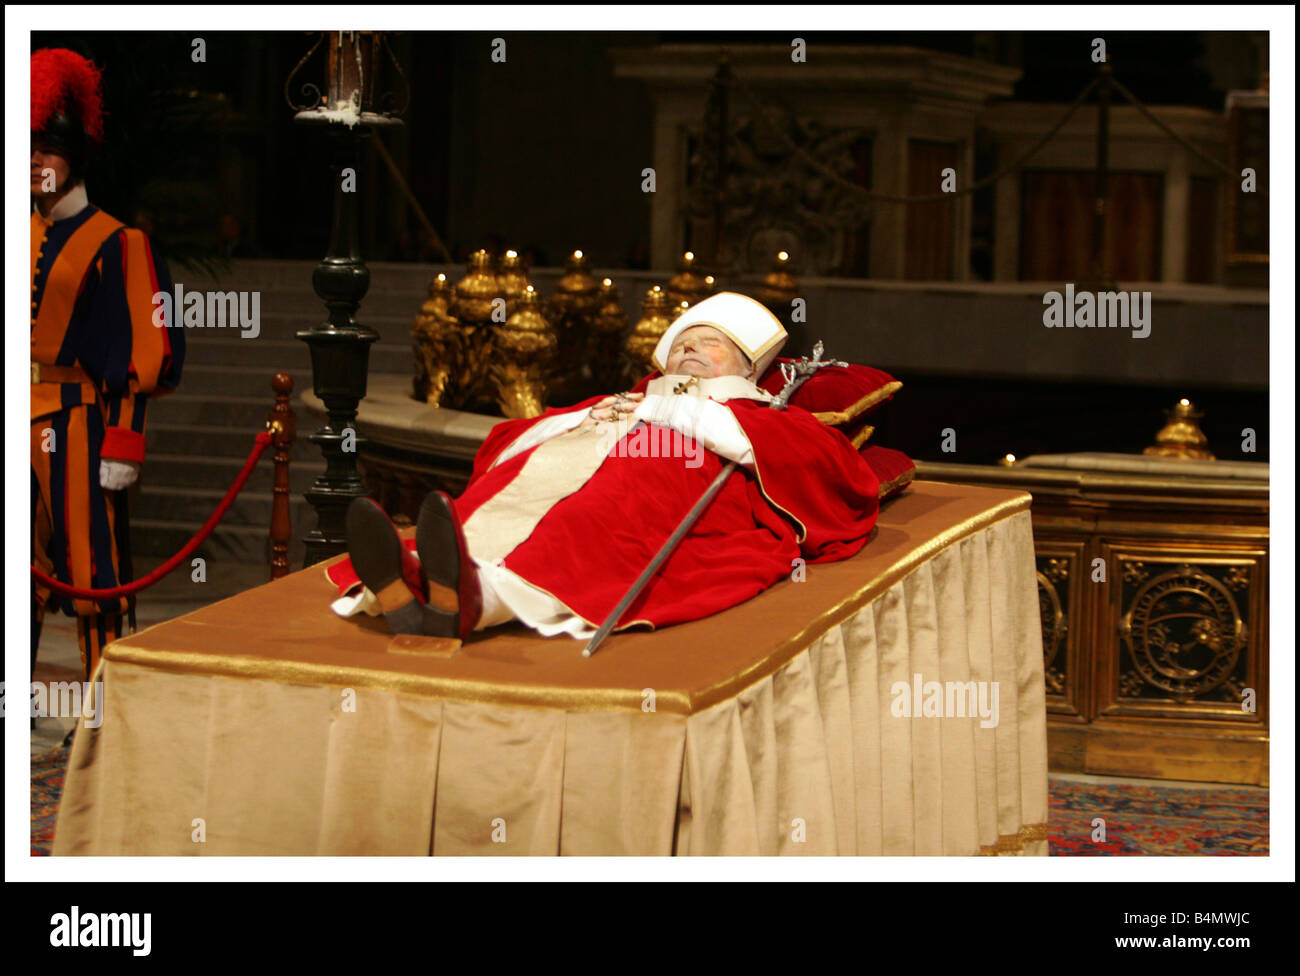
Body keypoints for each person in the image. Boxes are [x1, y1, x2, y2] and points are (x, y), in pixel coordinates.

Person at [338, 291, 880, 641]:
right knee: (501, 491)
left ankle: (475, 598)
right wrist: (583, 419)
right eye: (683, 344)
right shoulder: (623, 397)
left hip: (662, 477)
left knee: (587, 518)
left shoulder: (755, 413)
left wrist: (678, 414)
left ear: (747, 368)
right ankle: (414, 578)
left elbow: (825, 468)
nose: (691, 349)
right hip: (574, 458)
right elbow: (508, 442)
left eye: (711, 344)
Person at [31, 48, 185, 679]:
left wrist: (123, 442)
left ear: (75, 156)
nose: (35, 161)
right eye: (27, 147)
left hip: (78, 423)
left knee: (96, 572)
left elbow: (138, 352)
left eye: (48, 149)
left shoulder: (119, 243)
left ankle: (102, 710)